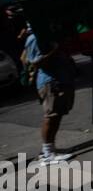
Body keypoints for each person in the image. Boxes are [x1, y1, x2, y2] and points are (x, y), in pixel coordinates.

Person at [24, 24, 77, 162]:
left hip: (60, 79)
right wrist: (55, 50)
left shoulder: (47, 35)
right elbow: (36, 63)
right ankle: (47, 154)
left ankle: (50, 148)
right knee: (51, 116)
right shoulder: (34, 38)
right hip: (50, 82)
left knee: (57, 115)